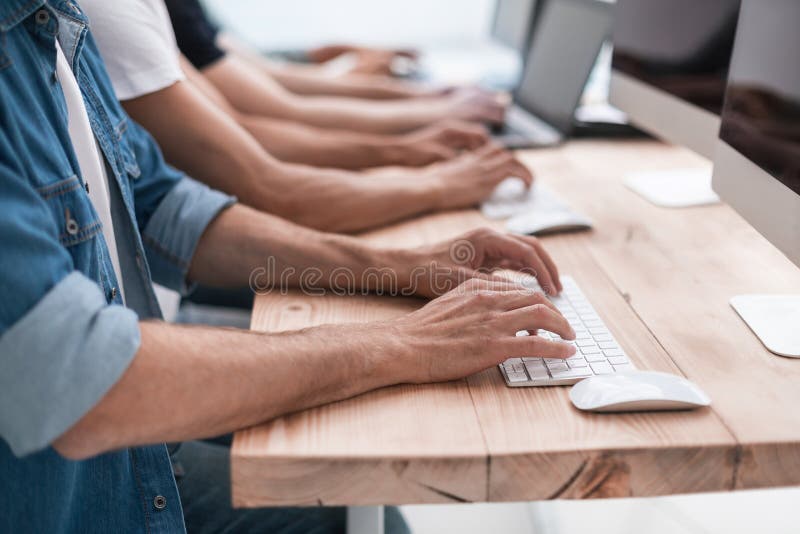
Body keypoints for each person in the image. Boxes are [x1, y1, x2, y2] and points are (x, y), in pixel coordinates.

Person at [0, 1, 576, 532]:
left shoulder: (55, 18)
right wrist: (400, 342)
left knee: (355, 486)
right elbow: (80, 382)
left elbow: (165, 203)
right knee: (356, 516)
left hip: (113, 453)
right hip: (66, 498)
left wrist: (397, 266)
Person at [81, 0, 531, 234]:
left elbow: (262, 90)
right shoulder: (112, 9)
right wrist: (431, 172)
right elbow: (264, 155)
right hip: (186, 280)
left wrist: (422, 116)